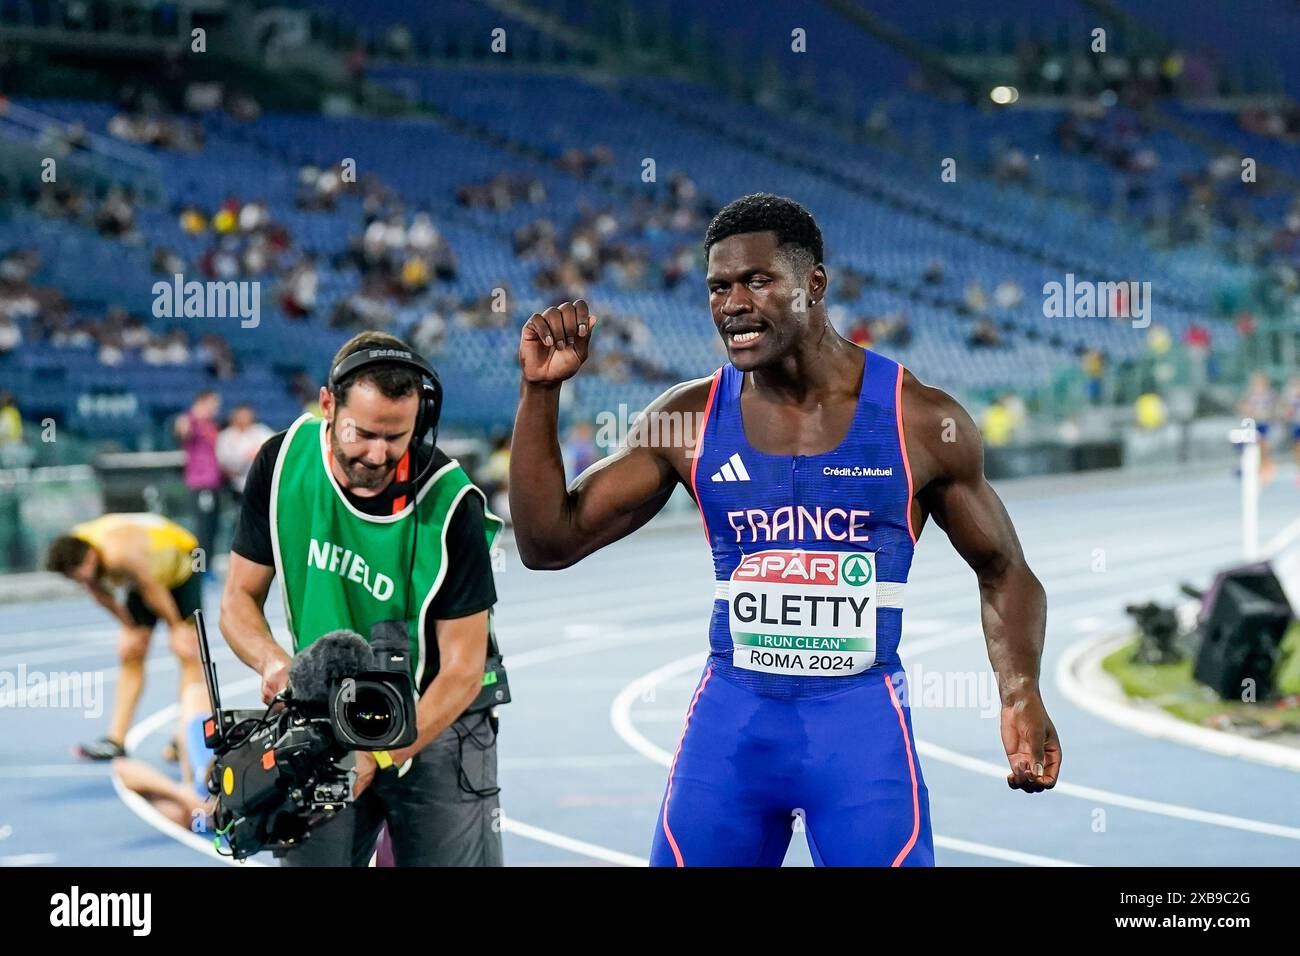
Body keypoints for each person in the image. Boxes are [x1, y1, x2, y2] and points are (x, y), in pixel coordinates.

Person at [509, 193, 1059, 867]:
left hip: (860, 734)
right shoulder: (688, 421)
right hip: (733, 733)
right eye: (718, 287)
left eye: (757, 280)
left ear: (814, 285)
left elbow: (1003, 570)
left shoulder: (919, 421)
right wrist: (540, 394)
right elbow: (547, 543)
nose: (732, 303)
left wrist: (1020, 691)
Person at [220, 331, 505, 866]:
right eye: (364, 433)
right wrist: (274, 663)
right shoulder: (282, 466)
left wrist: (379, 756)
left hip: (435, 715)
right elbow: (238, 600)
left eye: (397, 436)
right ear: (328, 405)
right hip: (322, 716)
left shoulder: (452, 502)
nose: (378, 454)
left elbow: (464, 669)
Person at [45, 513, 205, 760]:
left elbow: (153, 588)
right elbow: (101, 595)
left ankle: (185, 735)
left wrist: (176, 628)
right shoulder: (76, 550)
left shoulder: (119, 554)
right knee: (131, 650)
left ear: (90, 557)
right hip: (145, 575)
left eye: (82, 576)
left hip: (187, 558)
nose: (82, 583)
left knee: (187, 651)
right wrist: (130, 627)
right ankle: (115, 740)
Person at [174, 390, 223, 564]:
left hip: (215, 483)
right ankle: (199, 567)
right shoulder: (191, 421)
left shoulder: (210, 425)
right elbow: (181, 430)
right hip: (201, 483)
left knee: (212, 528)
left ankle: (207, 565)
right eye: (213, 404)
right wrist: (194, 414)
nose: (216, 409)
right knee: (201, 529)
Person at [215, 404, 273, 507]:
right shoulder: (226, 436)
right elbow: (222, 460)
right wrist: (244, 457)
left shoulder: (260, 431)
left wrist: (258, 454)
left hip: (261, 485)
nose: (244, 418)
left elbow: (273, 449)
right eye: (241, 415)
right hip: (234, 485)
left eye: (246, 415)